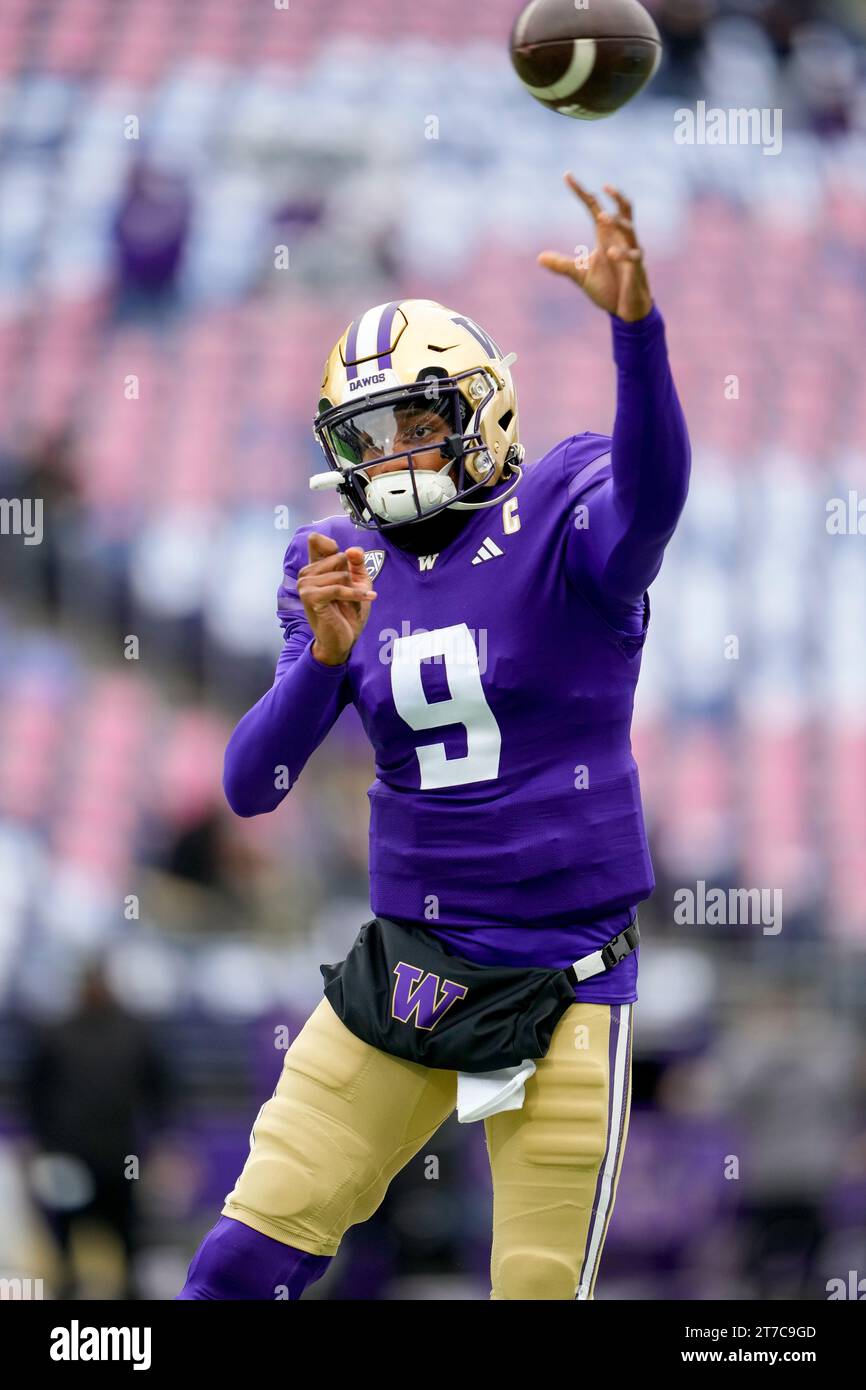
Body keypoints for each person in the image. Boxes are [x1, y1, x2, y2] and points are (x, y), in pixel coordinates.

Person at [177, 175, 691, 1301]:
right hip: (407, 969)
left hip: (566, 981)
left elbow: (650, 505)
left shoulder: (560, 503)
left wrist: (635, 336)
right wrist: (318, 661)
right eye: (367, 436)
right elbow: (249, 785)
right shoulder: (338, 567)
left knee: (535, 1294)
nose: (395, 455)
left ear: (480, 410)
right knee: (237, 1265)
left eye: (418, 423)